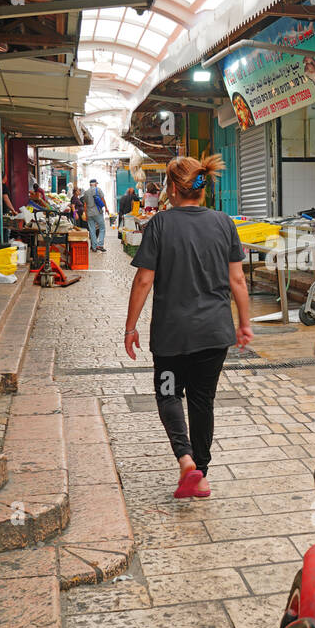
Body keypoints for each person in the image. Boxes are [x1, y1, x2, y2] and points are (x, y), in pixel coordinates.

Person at [123, 152, 253, 498]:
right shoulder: (224, 223)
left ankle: (186, 461)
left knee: (168, 393)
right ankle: (202, 474)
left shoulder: (161, 225)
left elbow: (143, 282)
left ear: (171, 189)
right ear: (201, 188)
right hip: (214, 335)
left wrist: (130, 327)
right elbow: (237, 280)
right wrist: (244, 323)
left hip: (171, 338)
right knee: (202, 401)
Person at [82, 178, 108, 252]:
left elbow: (85, 205)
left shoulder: (86, 192)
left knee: (92, 230)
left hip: (89, 214)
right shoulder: (98, 190)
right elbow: (103, 199)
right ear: (95, 184)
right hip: (97, 213)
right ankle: (100, 245)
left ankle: (94, 247)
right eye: (96, 183)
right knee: (102, 228)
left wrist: (86, 215)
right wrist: (106, 208)